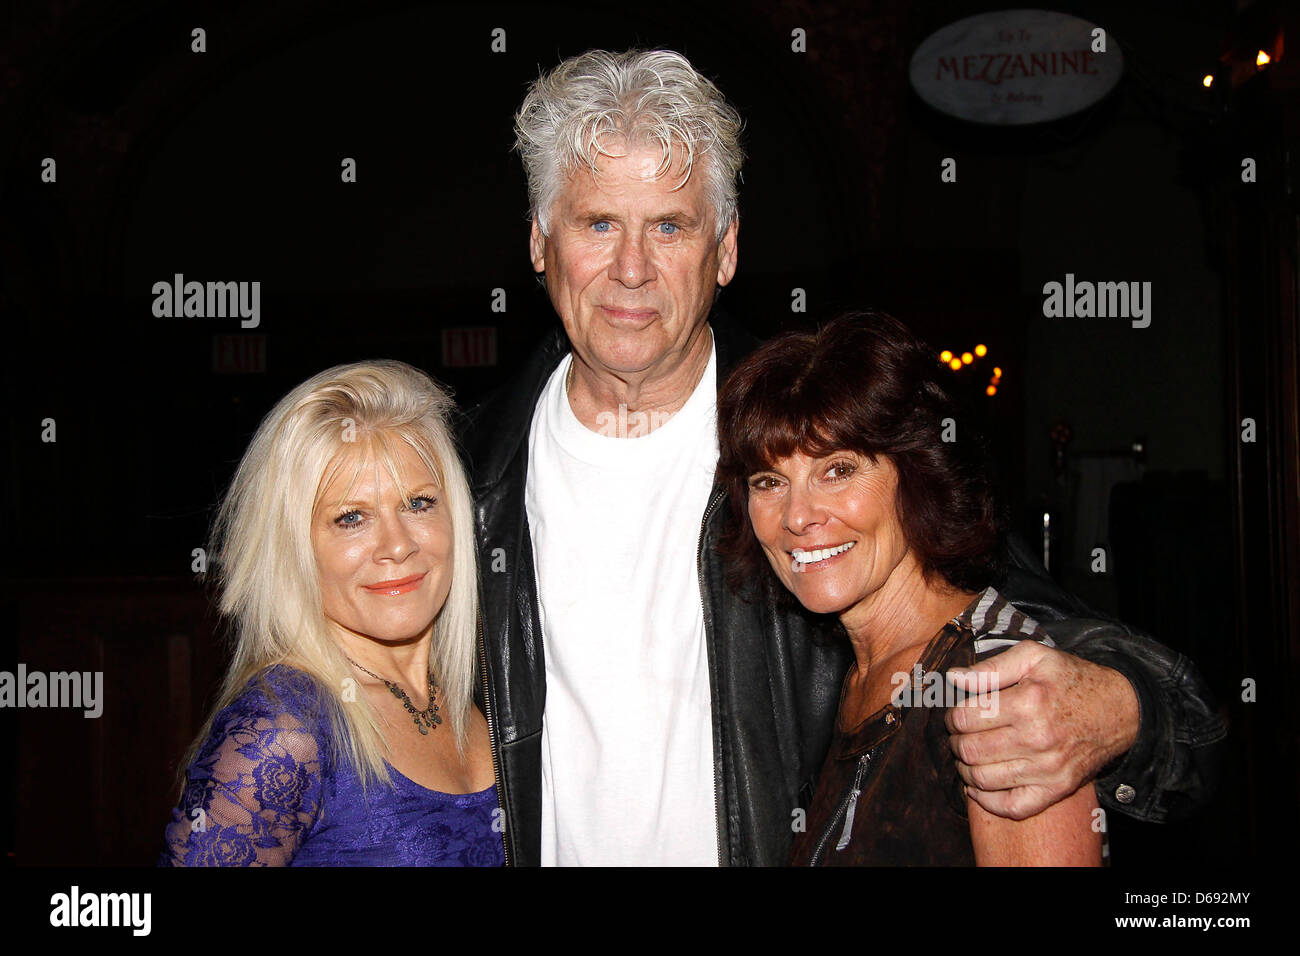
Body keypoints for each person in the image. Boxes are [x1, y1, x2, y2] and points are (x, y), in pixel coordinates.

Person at [460, 48, 1225, 866]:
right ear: (540, 243)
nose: (633, 268)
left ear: (725, 250)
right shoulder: (461, 474)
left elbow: (1015, 619)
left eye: (671, 226)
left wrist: (1125, 704)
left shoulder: (823, 432)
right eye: (598, 223)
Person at [717, 311, 1104, 865]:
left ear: (916, 475)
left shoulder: (996, 687)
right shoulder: (845, 678)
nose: (797, 517)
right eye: (769, 481)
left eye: (837, 470)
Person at [162, 361, 503, 866]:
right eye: (351, 517)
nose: (397, 545)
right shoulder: (284, 732)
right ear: (293, 548)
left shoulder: (491, 686)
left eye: (418, 504)